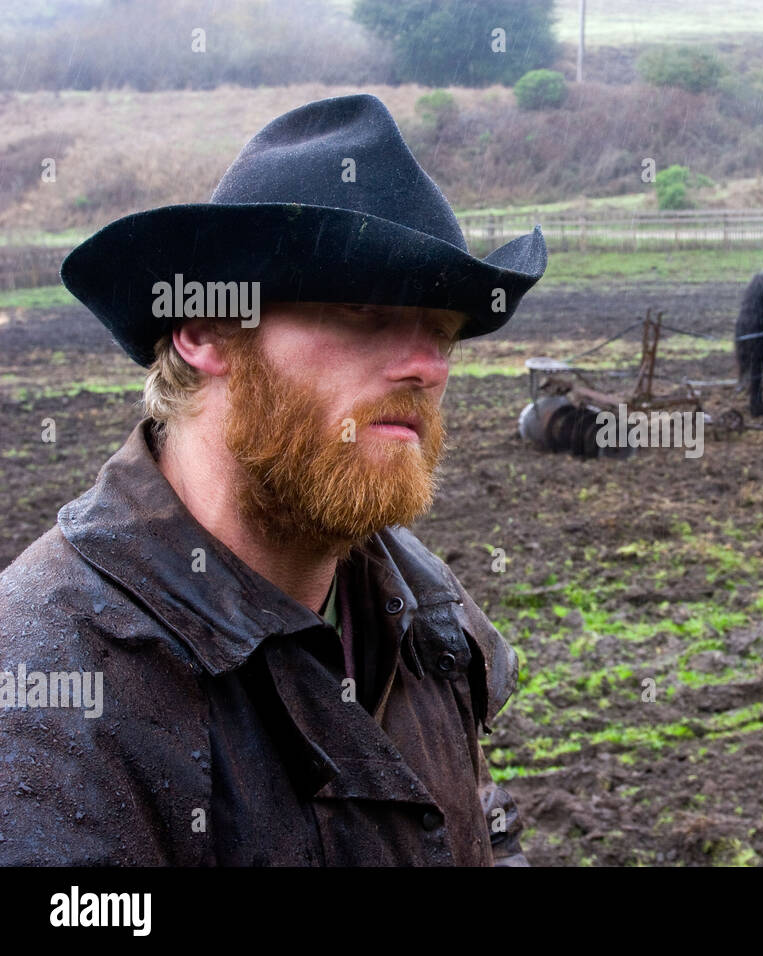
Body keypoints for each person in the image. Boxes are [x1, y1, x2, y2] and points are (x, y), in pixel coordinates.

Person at [0, 93, 546, 865]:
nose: (426, 365)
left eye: (444, 333)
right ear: (201, 328)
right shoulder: (49, 683)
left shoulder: (428, 617)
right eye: (365, 309)